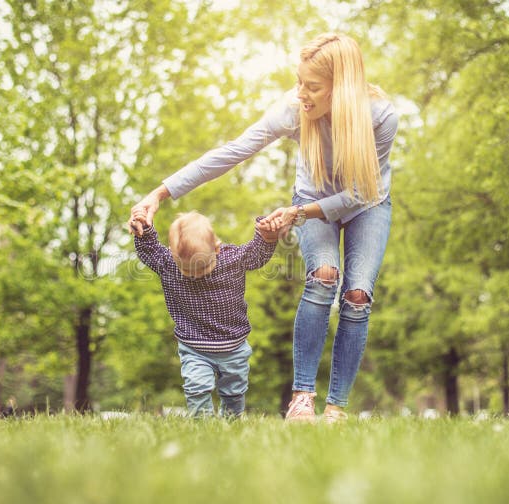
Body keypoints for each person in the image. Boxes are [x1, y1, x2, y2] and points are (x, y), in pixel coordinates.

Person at [128, 33, 398, 423]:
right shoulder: (293, 109)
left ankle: (336, 406)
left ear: (342, 87)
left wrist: (298, 214)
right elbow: (232, 152)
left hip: (366, 204)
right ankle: (302, 397)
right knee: (323, 276)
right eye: (299, 81)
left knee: (356, 295)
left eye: (313, 86)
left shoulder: (381, 117)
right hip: (308, 199)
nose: (301, 93)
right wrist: (160, 193)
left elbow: (359, 193)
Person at [132, 209, 278, 417]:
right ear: (173, 255)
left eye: (201, 268)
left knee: (234, 393)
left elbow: (257, 254)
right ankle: (203, 429)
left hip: (234, 346)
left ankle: (233, 425)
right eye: (188, 270)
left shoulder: (232, 259)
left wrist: (267, 234)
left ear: (217, 249)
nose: (194, 275)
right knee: (197, 389)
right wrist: (143, 229)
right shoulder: (168, 263)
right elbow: (150, 250)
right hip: (194, 348)